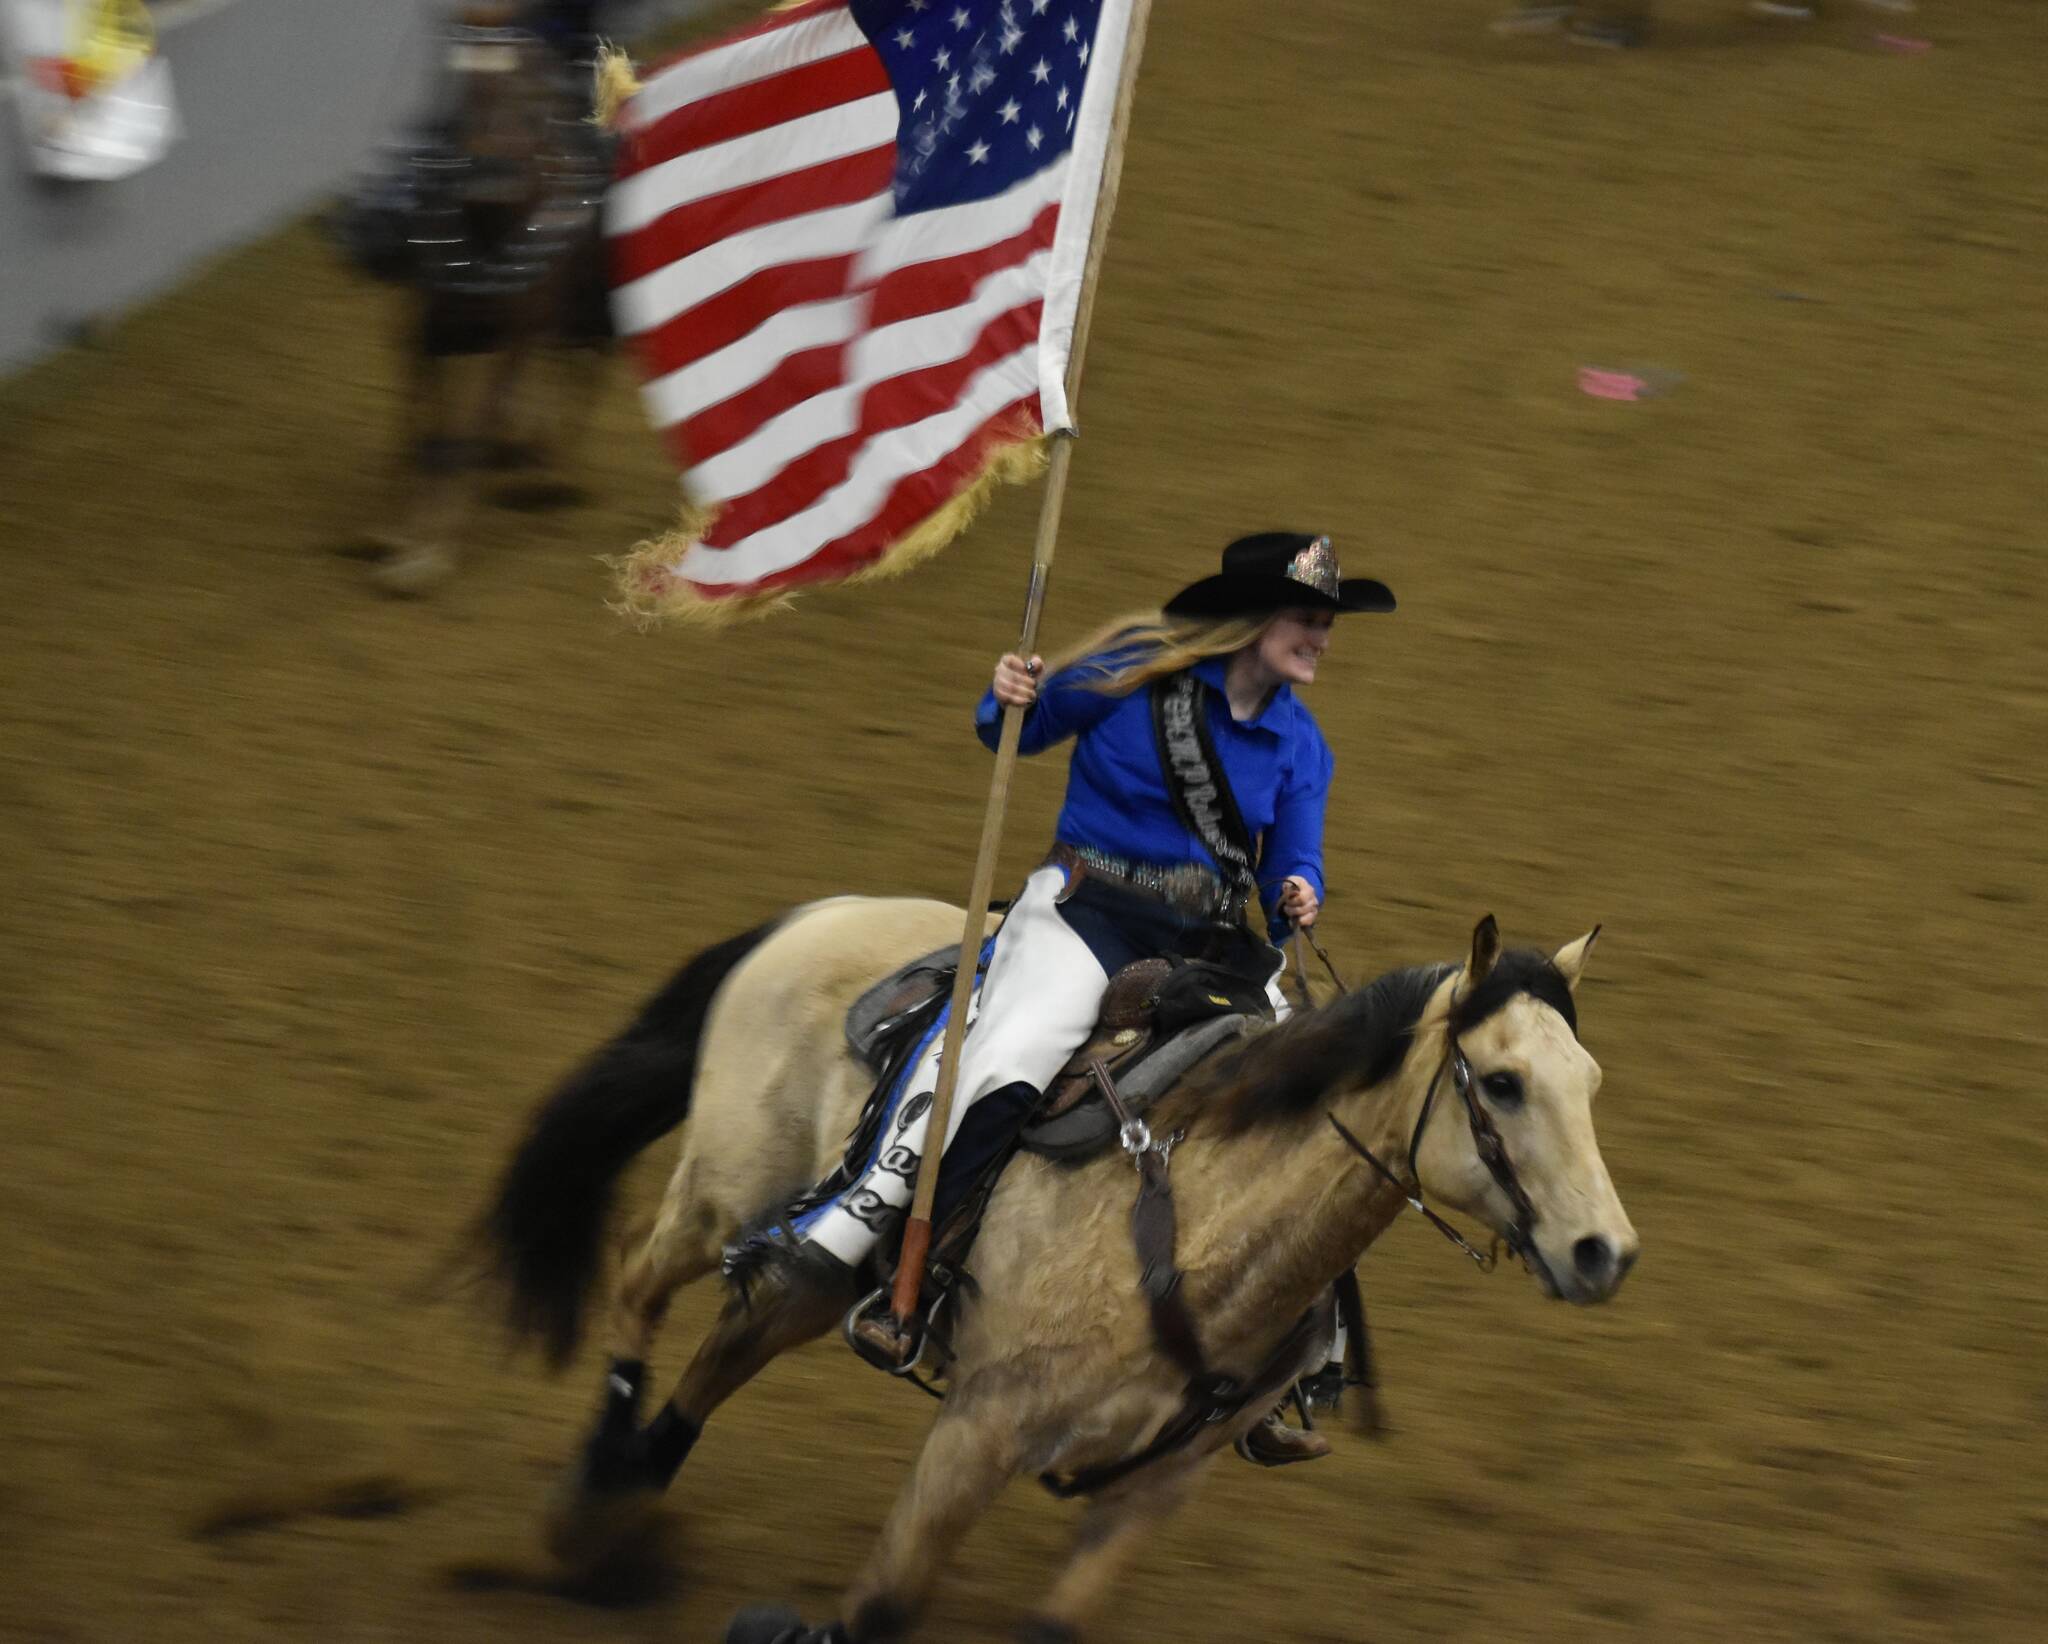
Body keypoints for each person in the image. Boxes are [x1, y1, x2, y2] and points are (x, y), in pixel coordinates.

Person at [779, 533, 1396, 1456]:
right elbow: (1007, 730)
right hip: (1087, 915)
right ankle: (920, 1277)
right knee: (1014, 1055)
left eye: (1327, 624)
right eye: (1309, 619)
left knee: (1315, 1093)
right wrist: (1010, 694)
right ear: (1255, 620)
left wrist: (1300, 889)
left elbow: (1291, 857)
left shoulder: (1301, 744)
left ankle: (1290, 1358)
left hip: (1209, 942)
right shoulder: (1125, 674)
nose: (1323, 638)